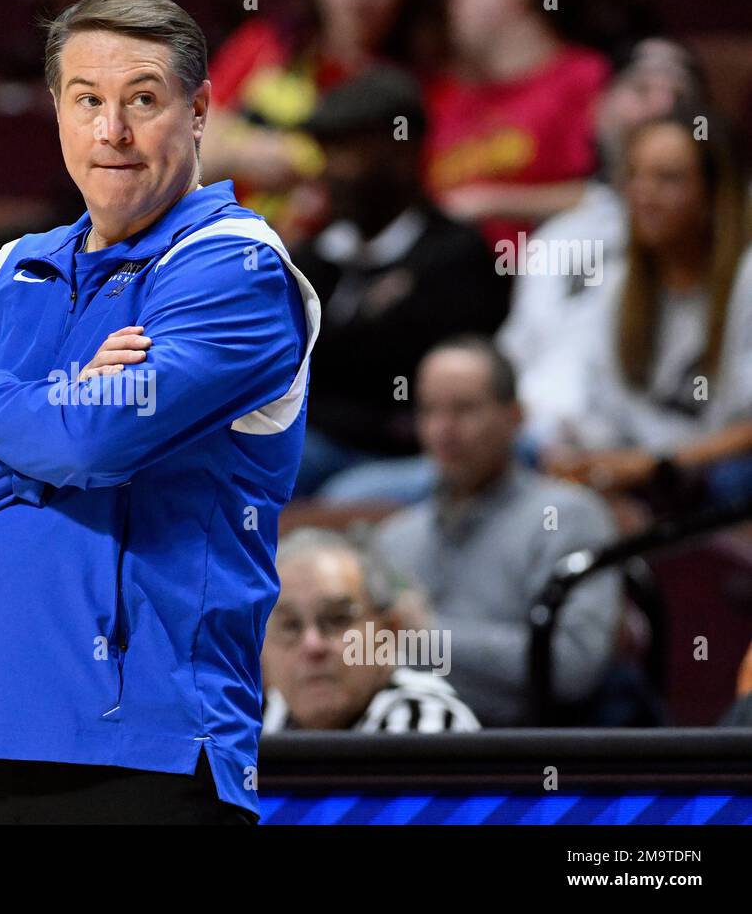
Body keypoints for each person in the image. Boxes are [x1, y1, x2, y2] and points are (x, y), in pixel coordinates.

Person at [0, 0, 321, 824]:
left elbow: (97, 444)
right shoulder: (12, 269)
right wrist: (60, 397)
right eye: (87, 101)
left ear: (198, 112)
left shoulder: (235, 268)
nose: (110, 132)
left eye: (142, 100)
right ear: (56, 112)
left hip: (146, 754)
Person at [372, 337, 621, 726]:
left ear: (515, 416)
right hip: (404, 752)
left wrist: (428, 635)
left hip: (518, 762)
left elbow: (574, 668)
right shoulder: (396, 537)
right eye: (429, 410)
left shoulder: (568, 516)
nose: (443, 430)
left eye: (464, 409)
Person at [286, 66, 507, 500]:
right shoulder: (311, 257)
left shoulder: (455, 256)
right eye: (326, 152)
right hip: (312, 444)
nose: (331, 172)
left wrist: (342, 344)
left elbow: (409, 378)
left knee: (332, 490)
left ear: (403, 154)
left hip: (406, 456)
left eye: (349, 152)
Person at [498, 38, 706, 450]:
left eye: (679, 96)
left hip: (649, 450)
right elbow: (516, 352)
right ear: (599, 109)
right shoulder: (560, 235)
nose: (661, 107)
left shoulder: (722, 240)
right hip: (526, 438)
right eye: (642, 90)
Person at [543, 111, 752, 506]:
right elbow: (602, 413)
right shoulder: (617, 286)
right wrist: (581, 459)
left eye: (668, 179)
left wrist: (653, 464)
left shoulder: (746, 279)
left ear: (714, 194)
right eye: (634, 176)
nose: (644, 194)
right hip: (639, 471)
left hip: (714, 475)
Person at [201, 0, 436, 239]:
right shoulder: (266, 46)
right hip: (225, 236)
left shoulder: (418, 80)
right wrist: (246, 155)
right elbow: (189, 142)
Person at [424, 0, 611, 246]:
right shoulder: (442, 99)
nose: (452, 2)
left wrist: (490, 203)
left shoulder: (585, 81)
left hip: (554, 272)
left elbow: (611, 197)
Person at [261, 527, 479, 732]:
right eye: (290, 626)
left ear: (389, 633)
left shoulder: (425, 718)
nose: (312, 645)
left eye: (337, 620)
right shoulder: (256, 718)